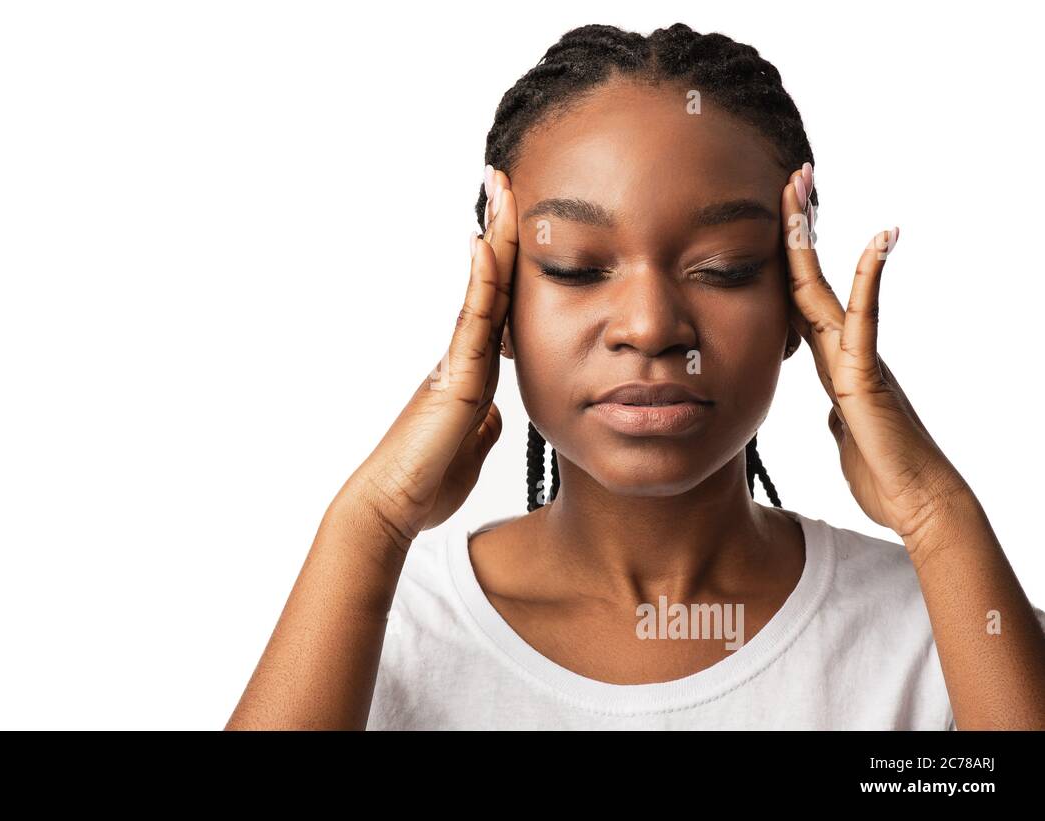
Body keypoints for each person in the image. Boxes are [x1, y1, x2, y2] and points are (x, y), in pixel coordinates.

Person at [225, 22, 1045, 730]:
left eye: (723, 267)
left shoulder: (950, 631)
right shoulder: (372, 628)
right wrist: (366, 525)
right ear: (500, 298)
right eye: (576, 268)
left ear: (798, 300)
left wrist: (940, 516)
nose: (651, 327)